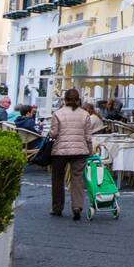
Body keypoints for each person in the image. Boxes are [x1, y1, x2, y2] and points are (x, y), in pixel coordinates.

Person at [49, 89, 92, 220]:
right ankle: (77, 207)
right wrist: (90, 150)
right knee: (77, 179)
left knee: (57, 178)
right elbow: (88, 137)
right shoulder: (85, 114)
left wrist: (50, 133)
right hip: (80, 150)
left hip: (60, 151)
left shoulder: (58, 114)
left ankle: (57, 207)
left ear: (65, 100)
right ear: (78, 100)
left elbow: (54, 133)